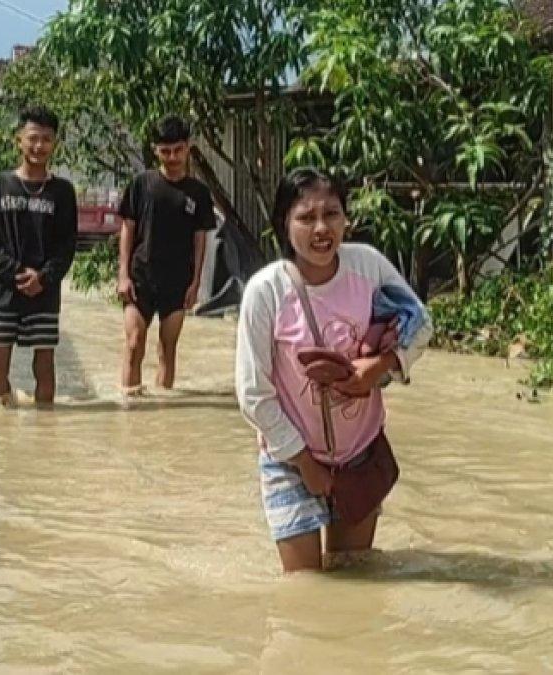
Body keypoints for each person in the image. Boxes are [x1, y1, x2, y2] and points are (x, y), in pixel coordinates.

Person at [234, 167, 433, 573]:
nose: (321, 228)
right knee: (306, 588)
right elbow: (254, 394)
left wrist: (380, 366)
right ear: (283, 225)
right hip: (290, 460)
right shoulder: (265, 291)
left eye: (332, 214)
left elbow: (421, 324)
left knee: (353, 577)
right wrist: (305, 463)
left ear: (347, 219)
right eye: (306, 218)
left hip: (361, 453)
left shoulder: (369, 267)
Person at [0, 107, 78, 406]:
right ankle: (6, 427)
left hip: (44, 291)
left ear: (55, 144)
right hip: (3, 291)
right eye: (33, 138)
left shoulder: (62, 191)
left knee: (44, 369)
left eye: (46, 139)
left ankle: (44, 433)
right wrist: (15, 273)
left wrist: (44, 277)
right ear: (18, 139)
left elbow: (67, 244)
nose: (39, 146)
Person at [116, 114, 216, 395]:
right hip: (140, 277)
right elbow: (127, 229)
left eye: (178, 150)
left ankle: (162, 412)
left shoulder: (198, 193)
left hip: (178, 281)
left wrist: (196, 283)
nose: (172, 157)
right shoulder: (142, 184)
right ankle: (129, 409)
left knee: (167, 349)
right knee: (135, 343)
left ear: (188, 148)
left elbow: (200, 240)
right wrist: (123, 274)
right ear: (155, 150)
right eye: (165, 151)